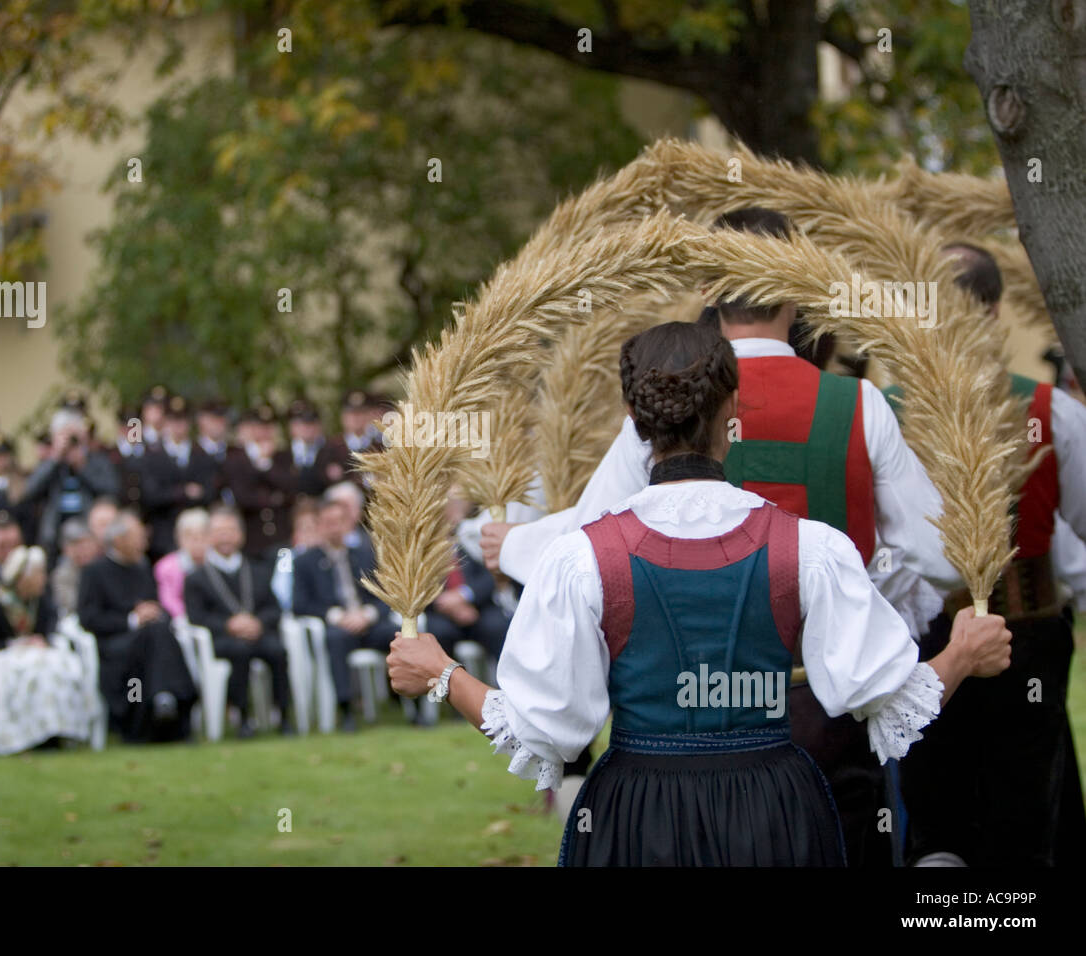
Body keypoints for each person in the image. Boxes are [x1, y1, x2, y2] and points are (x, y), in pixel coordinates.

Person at [388, 321, 1013, 866]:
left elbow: (544, 733)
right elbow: (888, 699)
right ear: (732, 412)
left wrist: (443, 675)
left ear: (635, 422)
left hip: (638, 815)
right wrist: (962, 653)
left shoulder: (580, 558)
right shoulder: (812, 548)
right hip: (775, 810)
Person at [478, 208, 964, 867]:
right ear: (797, 287)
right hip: (826, 716)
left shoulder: (665, 393)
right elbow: (939, 557)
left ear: (710, 288)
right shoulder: (857, 404)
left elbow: (594, 534)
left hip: (667, 737)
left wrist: (510, 545)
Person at [892, 242, 1086, 866]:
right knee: (1025, 819)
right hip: (1024, 639)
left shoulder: (884, 412)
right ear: (998, 311)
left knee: (936, 815)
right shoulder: (1050, 408)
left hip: (927, 641)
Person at [0, 546, 94, 756]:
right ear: (23, 577)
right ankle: (17, 739)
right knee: (21, 675)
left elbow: (51, 629)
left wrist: (39, 641)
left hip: (39, 654)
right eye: (39, 574)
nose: (43, 579)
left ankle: (54, 732)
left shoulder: (41, 602)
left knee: (53, 669)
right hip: (3, 660)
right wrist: (17, 645)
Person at [77, 512, 196, 742]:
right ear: (119, 540)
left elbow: (157, 606)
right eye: (138, 537)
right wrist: (132, 619)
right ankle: (161, 702)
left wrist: (153, 613)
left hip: (151, 643)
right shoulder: (94, 572)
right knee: (155, 637)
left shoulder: (142, 569)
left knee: (159, 633)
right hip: (116, 647)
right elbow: (89, 618)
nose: (144, 542)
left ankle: (165, 702)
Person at [185, 507, 293, 737]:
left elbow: (273, 608)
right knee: (240, 652)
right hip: (223, 639)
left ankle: (283, 715)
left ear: (240, 535)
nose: (225, 537)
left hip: (258, 634)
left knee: (278, 650)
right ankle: (242, 718)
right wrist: (229, 625)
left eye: (230, 530)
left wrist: (257, 623)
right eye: (218, 531)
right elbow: (196, 617)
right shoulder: (197, 578)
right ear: (209, 537)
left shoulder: (258, 570)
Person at [293, 498, 393, 731]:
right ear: (319, 525)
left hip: (368, 623)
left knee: (397, 634)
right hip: (338, 626)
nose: (334, 527)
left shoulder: (366, 555)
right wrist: (336, 616)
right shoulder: (304, 562)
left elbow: (387, 595)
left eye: (339, 521)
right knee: (336, 639)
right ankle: (346, 709)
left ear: (348, 523)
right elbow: (300, 604)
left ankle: (415, 704)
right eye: (328, 522)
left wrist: (367, 614)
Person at [423, 490, 510, 662]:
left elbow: (488, 577)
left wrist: (464, 596)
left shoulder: (468, 540)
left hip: (476, 606)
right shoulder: (421, 550)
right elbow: (418, 584)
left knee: (498, 625)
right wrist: (449, 604)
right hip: (439, 612)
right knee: (438, 634)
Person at [20, 408, 119, 556]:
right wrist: (55, 458)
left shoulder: (97, 461)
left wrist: (82, 466)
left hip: (89, 529)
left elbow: (111, 490)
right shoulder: (49, 464)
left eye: (74, 437)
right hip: (55, 532)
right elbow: (29, 490)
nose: (71, 443)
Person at [141, 396, 214, 561]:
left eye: (182, 420)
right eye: (173, 420)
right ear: (165, 422)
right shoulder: (152, 456)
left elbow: (209, 492)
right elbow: (150, 495)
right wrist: (184, 492)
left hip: (197, 536)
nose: (178, 426)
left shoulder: (202, 455)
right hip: (163, 537)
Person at [226, 404, 297, 559]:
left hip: (282, 536)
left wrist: (266, 466)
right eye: (259, 426)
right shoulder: (236, 458)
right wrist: (273, 499)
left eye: (269, 426)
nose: (264, 431)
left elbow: (290, 490)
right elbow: (242, 496)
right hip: (252, 540)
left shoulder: (283, 455)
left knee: (284, 577)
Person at [154, 508, 209, 620]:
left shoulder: (216, 564)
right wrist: (190, 616)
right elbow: (168, 600)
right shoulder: (165, 566)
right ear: (179, 538)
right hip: (180, 620)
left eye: (202, 535)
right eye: (190, 536)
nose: (197, 541)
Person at [51, 518, 98, 620]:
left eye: (86, 543)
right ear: (65, 549)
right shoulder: (62, 575)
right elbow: (72, 605)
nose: (82, 550)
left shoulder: (102, 567)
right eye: (76, 545)